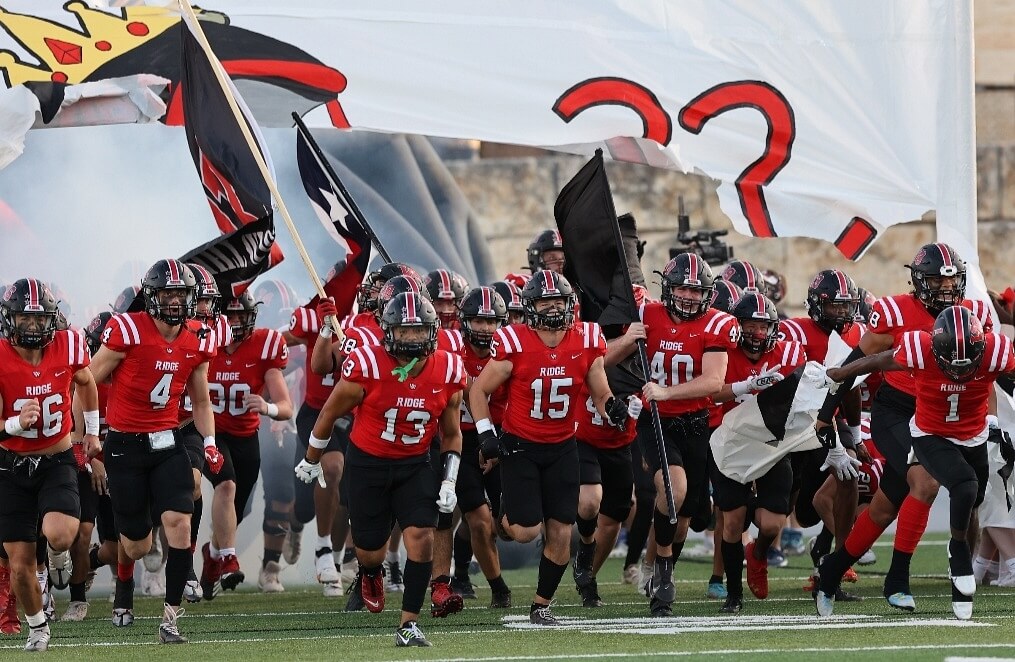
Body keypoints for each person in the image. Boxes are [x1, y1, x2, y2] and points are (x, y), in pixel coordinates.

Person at [813, 243, 993, 613]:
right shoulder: (895, 312)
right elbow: (860, 361)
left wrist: (988, 417)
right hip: (898, 412)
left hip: (942, 417)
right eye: (936, 283)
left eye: (950, 283)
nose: (946, 291)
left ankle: (830, 572)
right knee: (924, 482)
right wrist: (826, 411)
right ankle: (897, 579)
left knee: (883, 508)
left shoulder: (974, 313)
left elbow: (989, 367)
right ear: (918, 281)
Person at [296, 292, 466, 647]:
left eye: (418, 330)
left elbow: (451, 433)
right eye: (404, 331)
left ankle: (408, 623)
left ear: (432, 331)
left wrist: (449, 477)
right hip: (368, 462)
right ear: (388, 332)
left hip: (415, 462)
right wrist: (312, 457)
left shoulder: (449, 369)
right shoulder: (367, 364)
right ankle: (370, 572)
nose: (412, 339)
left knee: (420, 536)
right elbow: (328, 413)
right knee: (369, 546)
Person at [470, 270, 628, 625]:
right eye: (546, 301)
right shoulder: (514, 341)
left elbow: (600, 390)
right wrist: (485, 435)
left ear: (571, 304)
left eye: (559, 301)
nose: (554, 308)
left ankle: (541, 604)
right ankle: (506, 515)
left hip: (562, 446)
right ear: (531, 306)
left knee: (561, 531)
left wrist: (611, 406)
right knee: (525, 533)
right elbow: (478, 390)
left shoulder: (586, 339)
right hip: (520, 445)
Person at [88, 259, 223, 644]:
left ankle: (170, 618)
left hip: (167, 441)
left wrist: (210, 443)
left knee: (180, 522)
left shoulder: (198, 337)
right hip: (124, 446)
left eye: (181, 294)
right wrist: (87, 434)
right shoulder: (128, 330)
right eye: (168, 293)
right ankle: (125, 584)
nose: (176, 302)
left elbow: (200, 400)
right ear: (151, 297)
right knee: (136, 543)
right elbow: (86, 379)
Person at [610, 253, 739, 617]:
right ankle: (663, 578)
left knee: (683, 518)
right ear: (667, 288)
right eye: (681, 287)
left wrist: (667, 391)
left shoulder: (717, 324)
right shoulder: (645, 314)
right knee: (673, 489)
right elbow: (600, 360)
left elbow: (714, 381)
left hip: (695, 422)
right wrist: (627, 340)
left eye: (695, 290)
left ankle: (653, 565)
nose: (688, 296)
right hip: (655, 420)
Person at [0, 279, 98, 651]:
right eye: (25, 319)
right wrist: (14, 424)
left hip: (56, 459)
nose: (33, 327)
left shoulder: (70, 344)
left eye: (40, 320)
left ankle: (57, 556)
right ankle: (38, 626)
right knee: (20, 563)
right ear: (10, 319)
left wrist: (91, 430)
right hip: (10, 466)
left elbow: (86, 381)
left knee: (59, 534)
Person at [710, 293, 806, 613]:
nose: (756, 334)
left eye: (762, 327)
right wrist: (746, 386)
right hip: (731, 442)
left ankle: (759, 553)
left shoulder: (789, 353)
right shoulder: (723, 350)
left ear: (774, 329)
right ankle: (734, 594)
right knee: (734, 521)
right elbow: (710, 393)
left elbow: (804, 398)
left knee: (771, 525)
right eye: (749, 326)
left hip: (770, 445)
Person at [201, 291, 292, 594]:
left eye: (242, 315)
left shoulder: (264, 346)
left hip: (246, 437)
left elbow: (286, 406)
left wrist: (266, 408)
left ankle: (213, 554)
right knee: (226, 486)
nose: (236, 321)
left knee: (238, 511)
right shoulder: (204, 343)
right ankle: (228, 560)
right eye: (230, 315)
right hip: (211, 434)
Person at [447, 286, 513, 607]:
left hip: (493, 436)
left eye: (492, 322)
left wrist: (494, 445)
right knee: (478, 518)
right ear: (464, 321)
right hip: (457, 438)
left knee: (508, 527)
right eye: (478, 321)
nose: (486, 329)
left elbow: (505, 406)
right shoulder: (450, 349)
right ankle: (498, 588)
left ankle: (461, 570)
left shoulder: (506, 353)